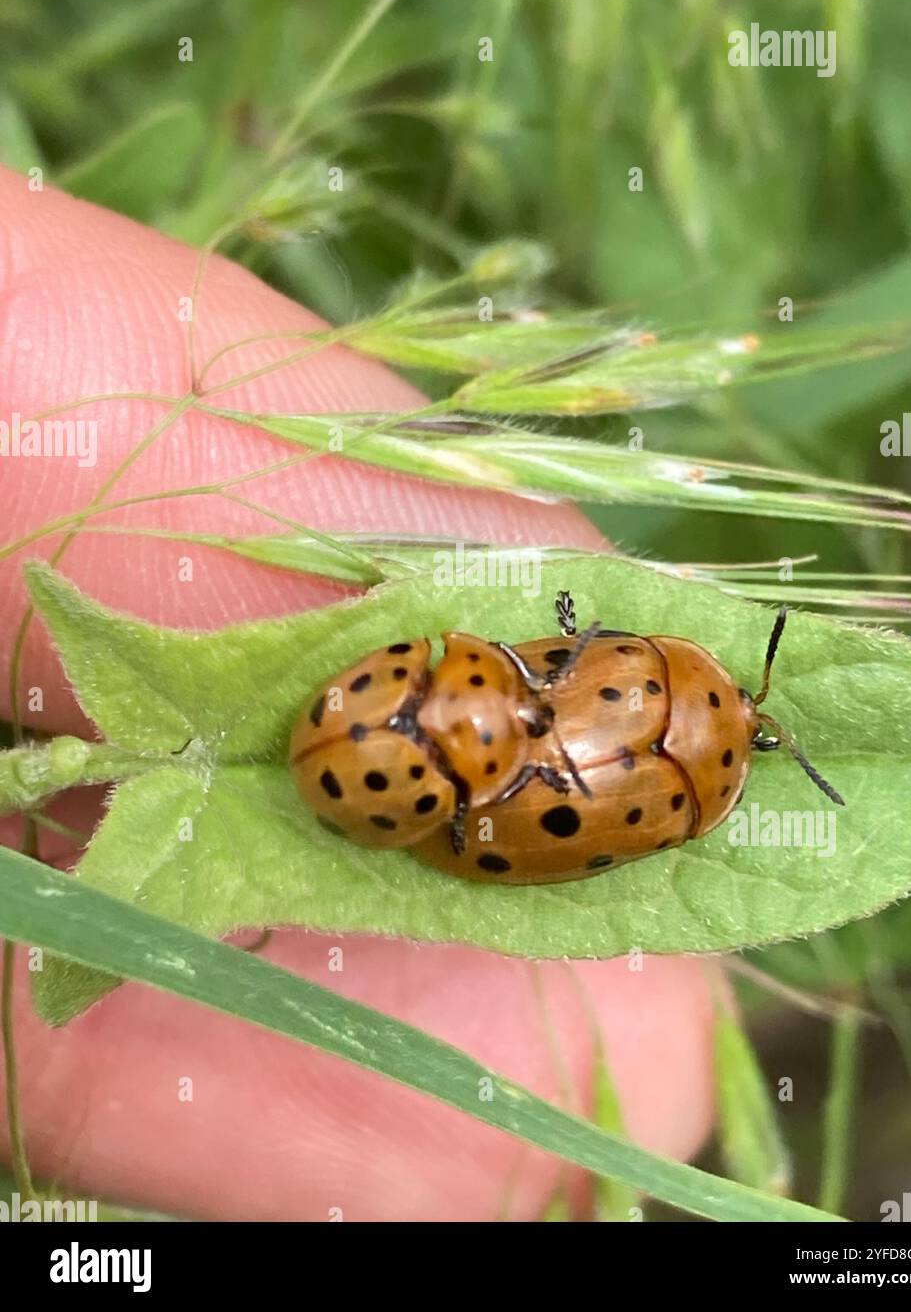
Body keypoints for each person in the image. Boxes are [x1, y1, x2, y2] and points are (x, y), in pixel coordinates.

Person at [0, 167, 714, 1221]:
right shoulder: (466, 741)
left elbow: (460, 680)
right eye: (521, 693)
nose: (532, 702)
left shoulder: (448, 680)